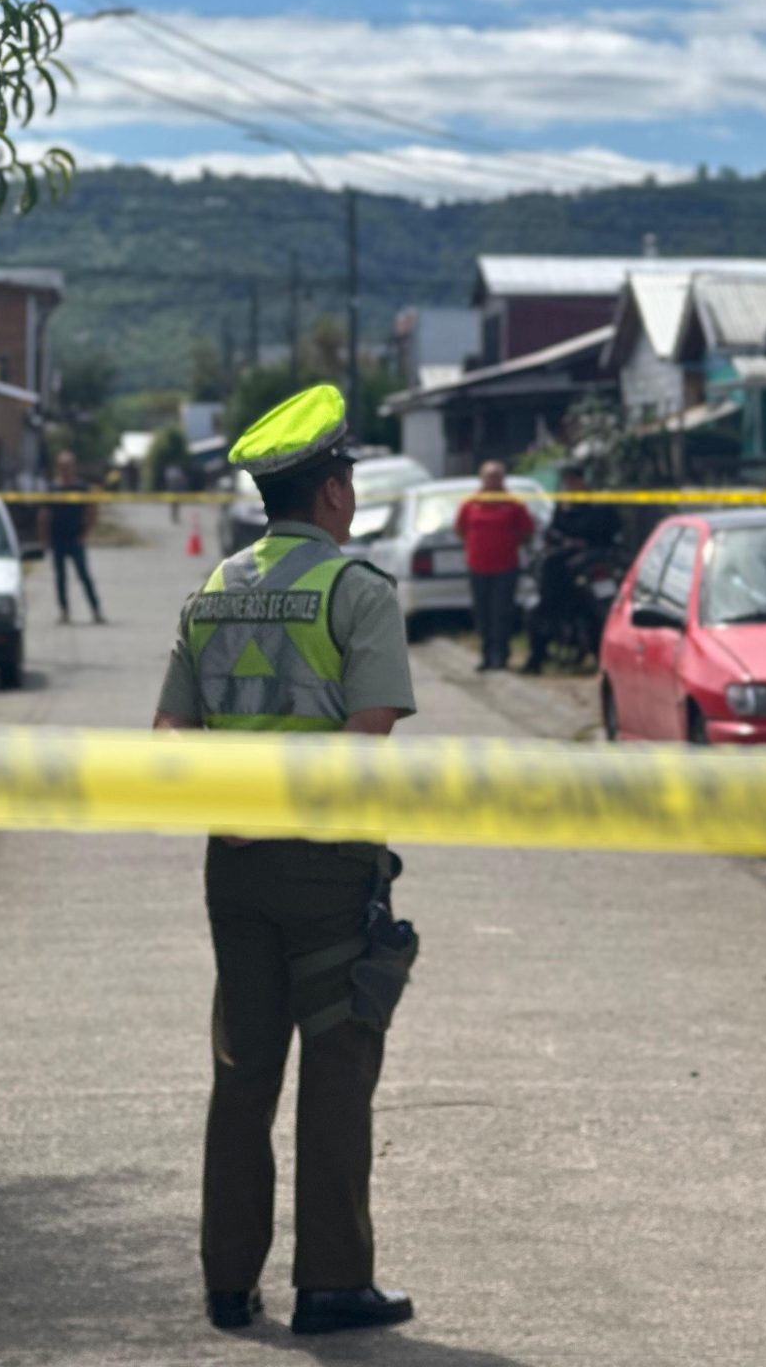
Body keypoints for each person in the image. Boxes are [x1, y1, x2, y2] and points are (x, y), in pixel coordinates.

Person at [152, 384, 418, 1340]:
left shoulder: (211, 593)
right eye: (348, 477)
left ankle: (229, 1285)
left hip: (233, 869)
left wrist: (233, 812)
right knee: (337, 1072)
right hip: (327, 868)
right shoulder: (357, 592)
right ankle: (332, 1285)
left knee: (243, 1071)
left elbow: (168, 737)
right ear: (333, 492)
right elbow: (368, 732)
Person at [522, 463, 623, 674]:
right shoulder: (564, 505)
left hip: (593, 558)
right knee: (541, 603)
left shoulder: (598, 505)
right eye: (568, 481)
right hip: (566, 563)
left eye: (574, 480)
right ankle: (538, 654)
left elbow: (612, 531)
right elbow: (552, 532)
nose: (571, 485)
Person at [454, 460, 534, 672]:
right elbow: (460, 529)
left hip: (506, 567)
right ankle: (486, 654)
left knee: (501, 612)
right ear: (482, 479)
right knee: (482, 613)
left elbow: (527, 531)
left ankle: (501, 655)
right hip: (477, 566)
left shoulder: (513, 504)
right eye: (489, 477)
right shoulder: (471, 503)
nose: (493, 481)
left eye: (497, 476)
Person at [37, 450, 104, 624]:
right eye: (62, 466)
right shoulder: (53, 488)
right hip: (58, 539)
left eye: (68, 466)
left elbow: (91, 511)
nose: (65, 469)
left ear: (73, 467)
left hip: (76, 538)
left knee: (84, 576)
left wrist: (86, 534)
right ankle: (64, 611)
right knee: (60, 578)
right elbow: (44, 515)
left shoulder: (81, 488)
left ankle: (96, 611)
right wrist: (44, 539)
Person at [164, 459, 189, 524]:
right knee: (173, 504)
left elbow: (181, 478)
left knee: (177, 504)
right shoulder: (170, 470)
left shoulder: (177, 469)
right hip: (172, 488)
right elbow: (169, 479)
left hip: (177, 488)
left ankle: (176, 516)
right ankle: (173, 516)